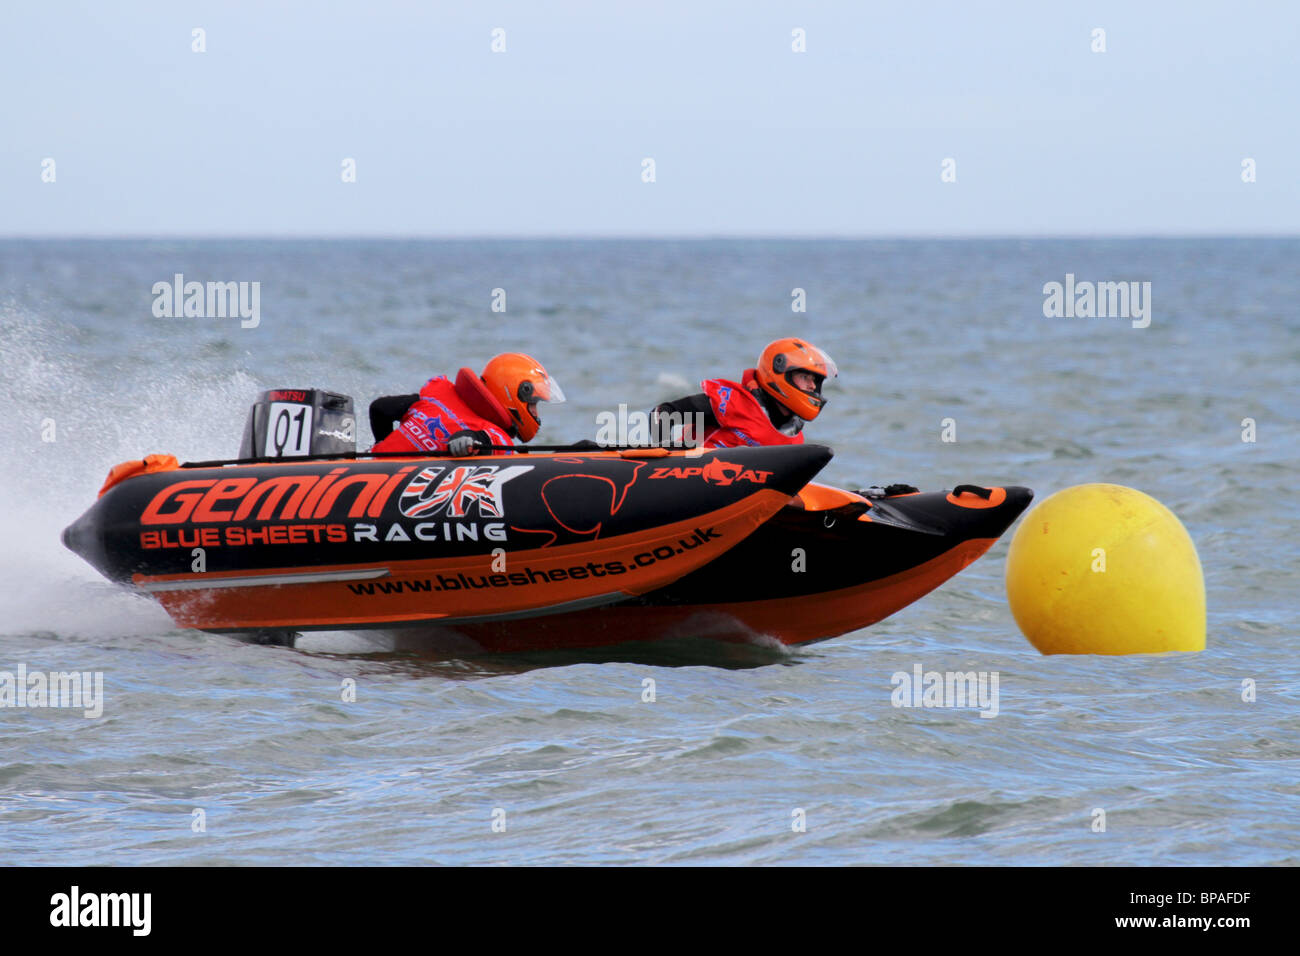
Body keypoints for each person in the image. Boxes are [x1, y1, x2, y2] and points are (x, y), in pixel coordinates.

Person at [652, 337, 837, 448]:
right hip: (685, 476)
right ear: (781, 374)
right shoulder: (733, 402)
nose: (813, 386)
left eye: (815, 381)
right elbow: (664, 412)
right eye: (805, 377)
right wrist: (663, 454)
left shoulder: (794, 437)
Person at [370, 353, 565, 456]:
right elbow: (474, 437)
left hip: (368, 470)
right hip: (394, 492)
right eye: (534, 404)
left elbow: (380, 408)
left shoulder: (437, 394)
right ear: (517, 395)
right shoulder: (494, 437)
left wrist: (382, 451)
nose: (536, 414)